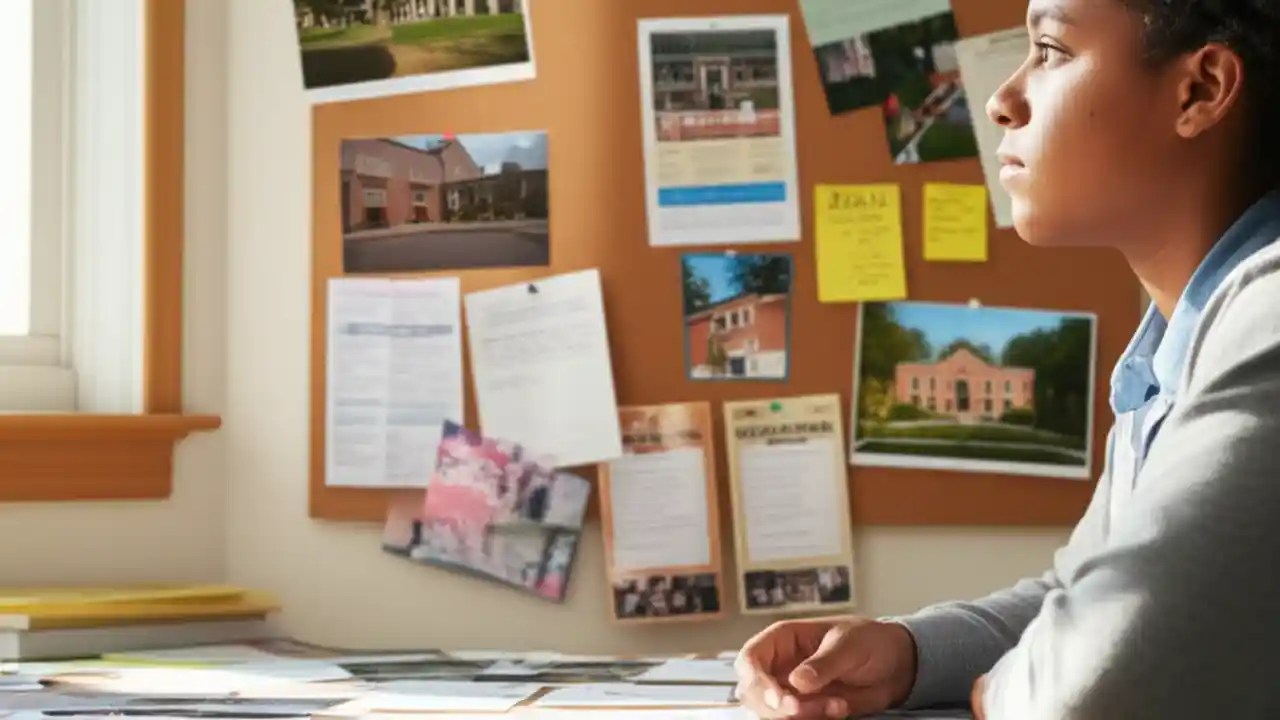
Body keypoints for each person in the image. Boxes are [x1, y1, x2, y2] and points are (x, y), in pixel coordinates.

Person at [734, 0, 1280, 718]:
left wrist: (1012, 689)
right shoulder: (1169, 351)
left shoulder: (1267, 314)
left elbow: (1097, 675)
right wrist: (906, 653)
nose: (999, 99)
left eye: (1050, 50)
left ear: (1201, 90)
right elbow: (1080, 595)